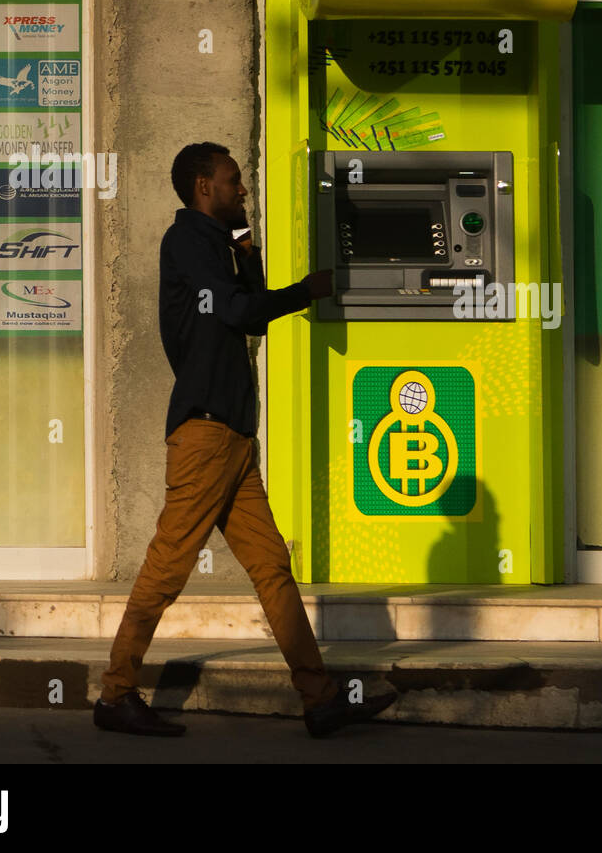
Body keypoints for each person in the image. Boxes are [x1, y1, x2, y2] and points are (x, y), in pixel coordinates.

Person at [93, 141, 397, 739]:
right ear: (204, 186)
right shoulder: (186, 240)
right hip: (205, 434)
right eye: (234, 182)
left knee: (272, 568)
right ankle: (115, 693)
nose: (242, 191)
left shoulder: (215, 246)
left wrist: (248, 254)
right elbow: (233, 311)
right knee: (166, 568)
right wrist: (308, 290)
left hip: (231, 438)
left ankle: (320, 698)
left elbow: (249, 314)